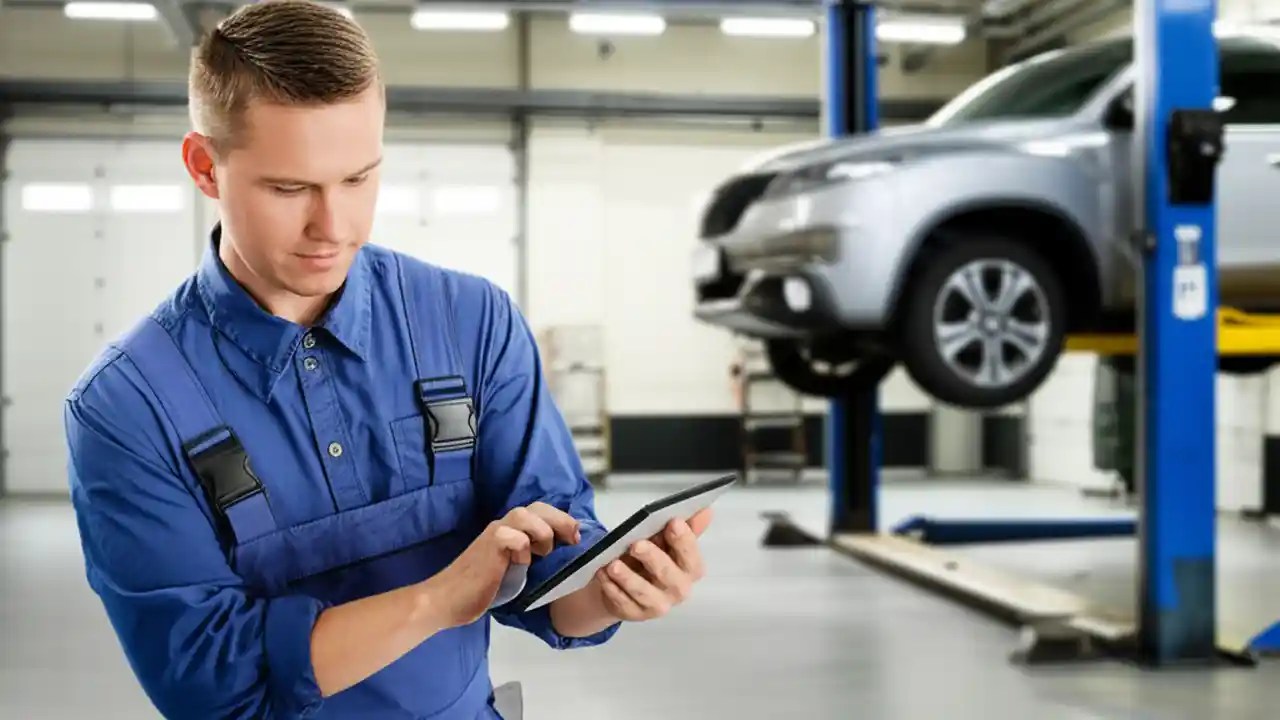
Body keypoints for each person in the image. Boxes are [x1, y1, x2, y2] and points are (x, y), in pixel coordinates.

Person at [62, 2, 714, 718]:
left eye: (359, 178)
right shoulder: (127, 406)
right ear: (204, 167)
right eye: (290, 188)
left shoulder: (470, 322)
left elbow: (551, 571)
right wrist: (438, 600)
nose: (333, 227)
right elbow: (210, 679)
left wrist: (614, 588)